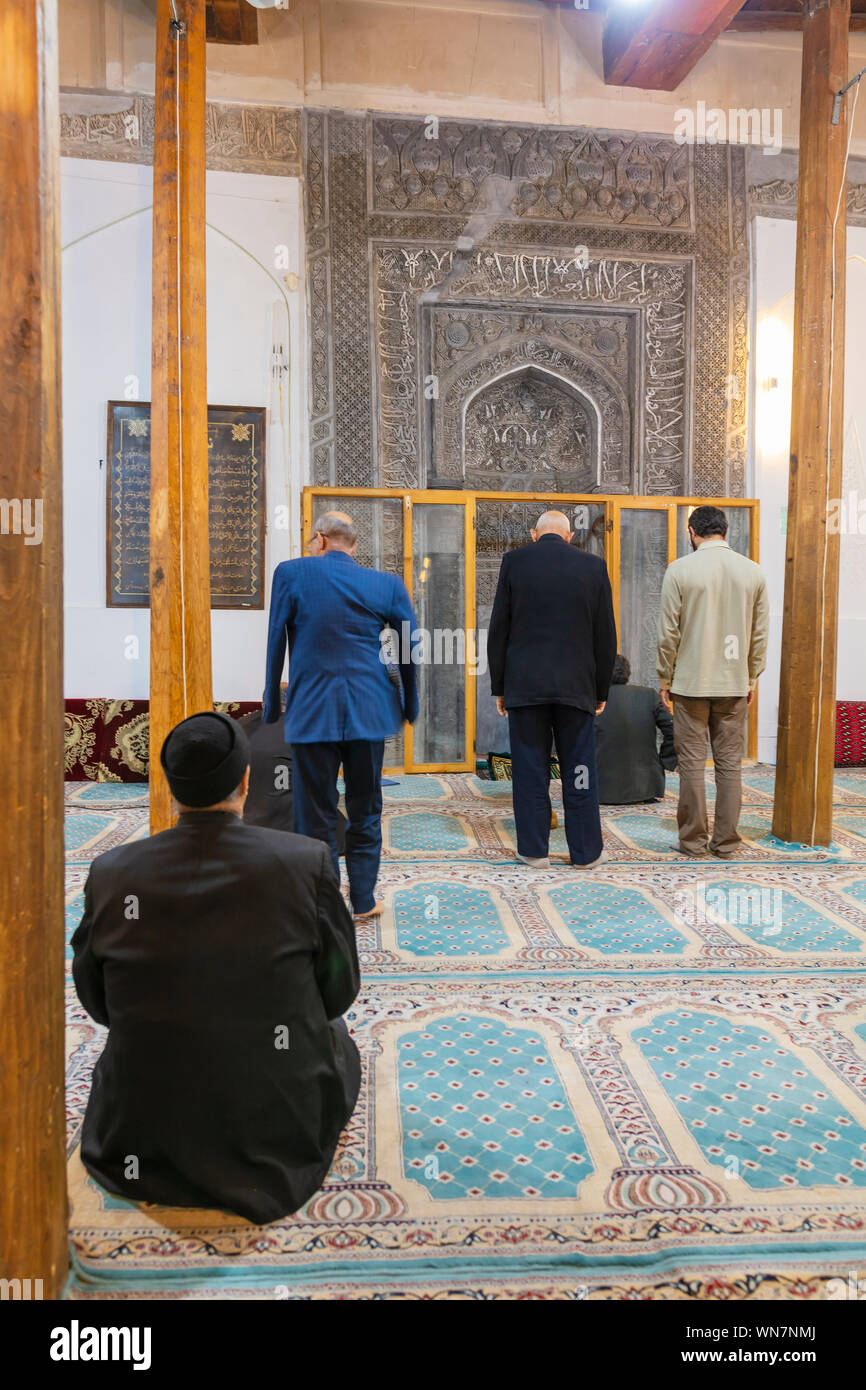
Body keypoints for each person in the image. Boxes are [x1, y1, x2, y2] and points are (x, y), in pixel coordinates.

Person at [71, 711, 360, 1225]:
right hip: (272, 1131)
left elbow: (98, 1004)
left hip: (140, 1131)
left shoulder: (112, 872)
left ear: (169, 785)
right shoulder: (307, 862)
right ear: (247, 781)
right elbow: (338, 993)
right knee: (338, 1038)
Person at [263, 510, 418, 919]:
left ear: (319, 538)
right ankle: (364, 900)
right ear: (354, 543)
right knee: (367, 807)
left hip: (312, 712)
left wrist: (269, 703)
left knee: (314, 811)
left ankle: (323, 904)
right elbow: (409, 647)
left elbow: (275, 637)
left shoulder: (292, 574)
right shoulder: (384, 583)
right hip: (368, 711)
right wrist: (411, 703)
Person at [488, 509, 617, 869]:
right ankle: (586, 852)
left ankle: (533, 850)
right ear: (569, 536)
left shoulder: (514, 562)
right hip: (577, 687)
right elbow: (605, 634)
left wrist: (500, 685)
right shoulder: (592, 566)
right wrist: (601, 689)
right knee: (579, 768)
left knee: (530, 769)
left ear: (534, 534)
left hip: (525, 687)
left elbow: (500, 628)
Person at [656, 504, 769, 858]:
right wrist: (751, 677)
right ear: (725, 530)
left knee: (691, 763)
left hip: (689, 685)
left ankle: (692, 841)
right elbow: (759, 634)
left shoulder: (679, 570)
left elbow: (667, 635)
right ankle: (727, 842)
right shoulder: (753, 573)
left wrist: (665, 677)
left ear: (692, 533)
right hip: (735, 683)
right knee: (729, 764)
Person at [595, 653, 677, 804]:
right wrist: (665, 761)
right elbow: (674, 731)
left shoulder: (593, 700)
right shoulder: (649, 696)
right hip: (646, 789)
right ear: (628, 673)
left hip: (600, 791)